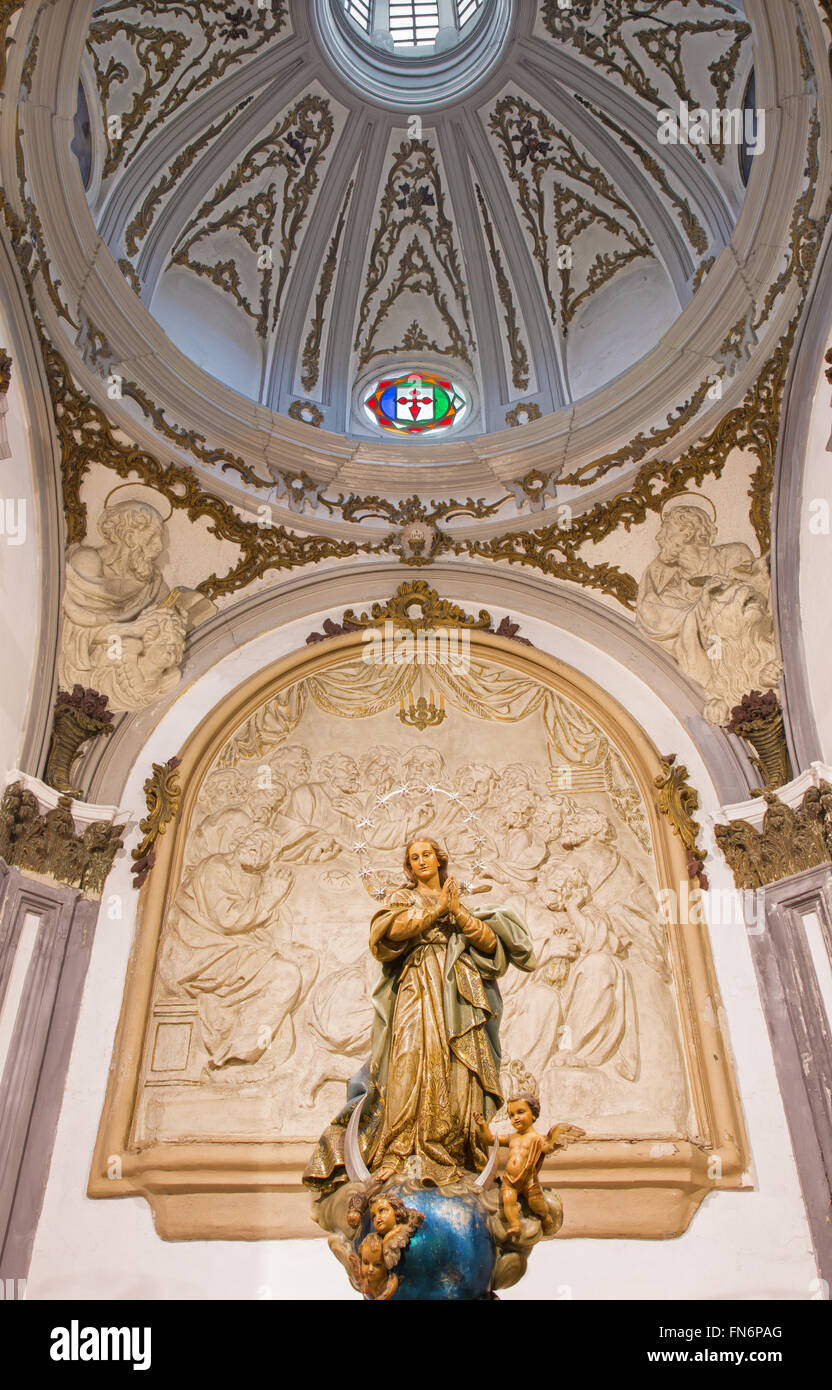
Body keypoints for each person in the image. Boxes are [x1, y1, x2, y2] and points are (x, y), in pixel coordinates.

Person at [303, 836, 535, 1189]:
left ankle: (453, 1150)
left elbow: (490, 943)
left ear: (439, 859)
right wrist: (435, 912)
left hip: (457, 994)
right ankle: (399, 1150)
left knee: (458, 1068)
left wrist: (456, 912)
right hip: (416, 987)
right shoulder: (402, 898)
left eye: (427, 854)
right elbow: (386, 932)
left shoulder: (459, 900)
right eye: (414, 857)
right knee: (408, 1059)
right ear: (408, 867)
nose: (422, 861)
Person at [475, 1094, 583, 1237]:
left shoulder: (537, 1139)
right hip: (510, 1180)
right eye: (511, 1115)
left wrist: (554, 1144)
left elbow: (547, 1148)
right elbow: (489, 1139)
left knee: (536, 1204)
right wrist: (483, 1125)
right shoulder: (511, 1138)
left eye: (520, 1112)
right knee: (508, 1201)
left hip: (528, 1181)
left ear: (533, 1115)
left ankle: (545, 1216)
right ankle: (515, 1225)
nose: (515, 1118)